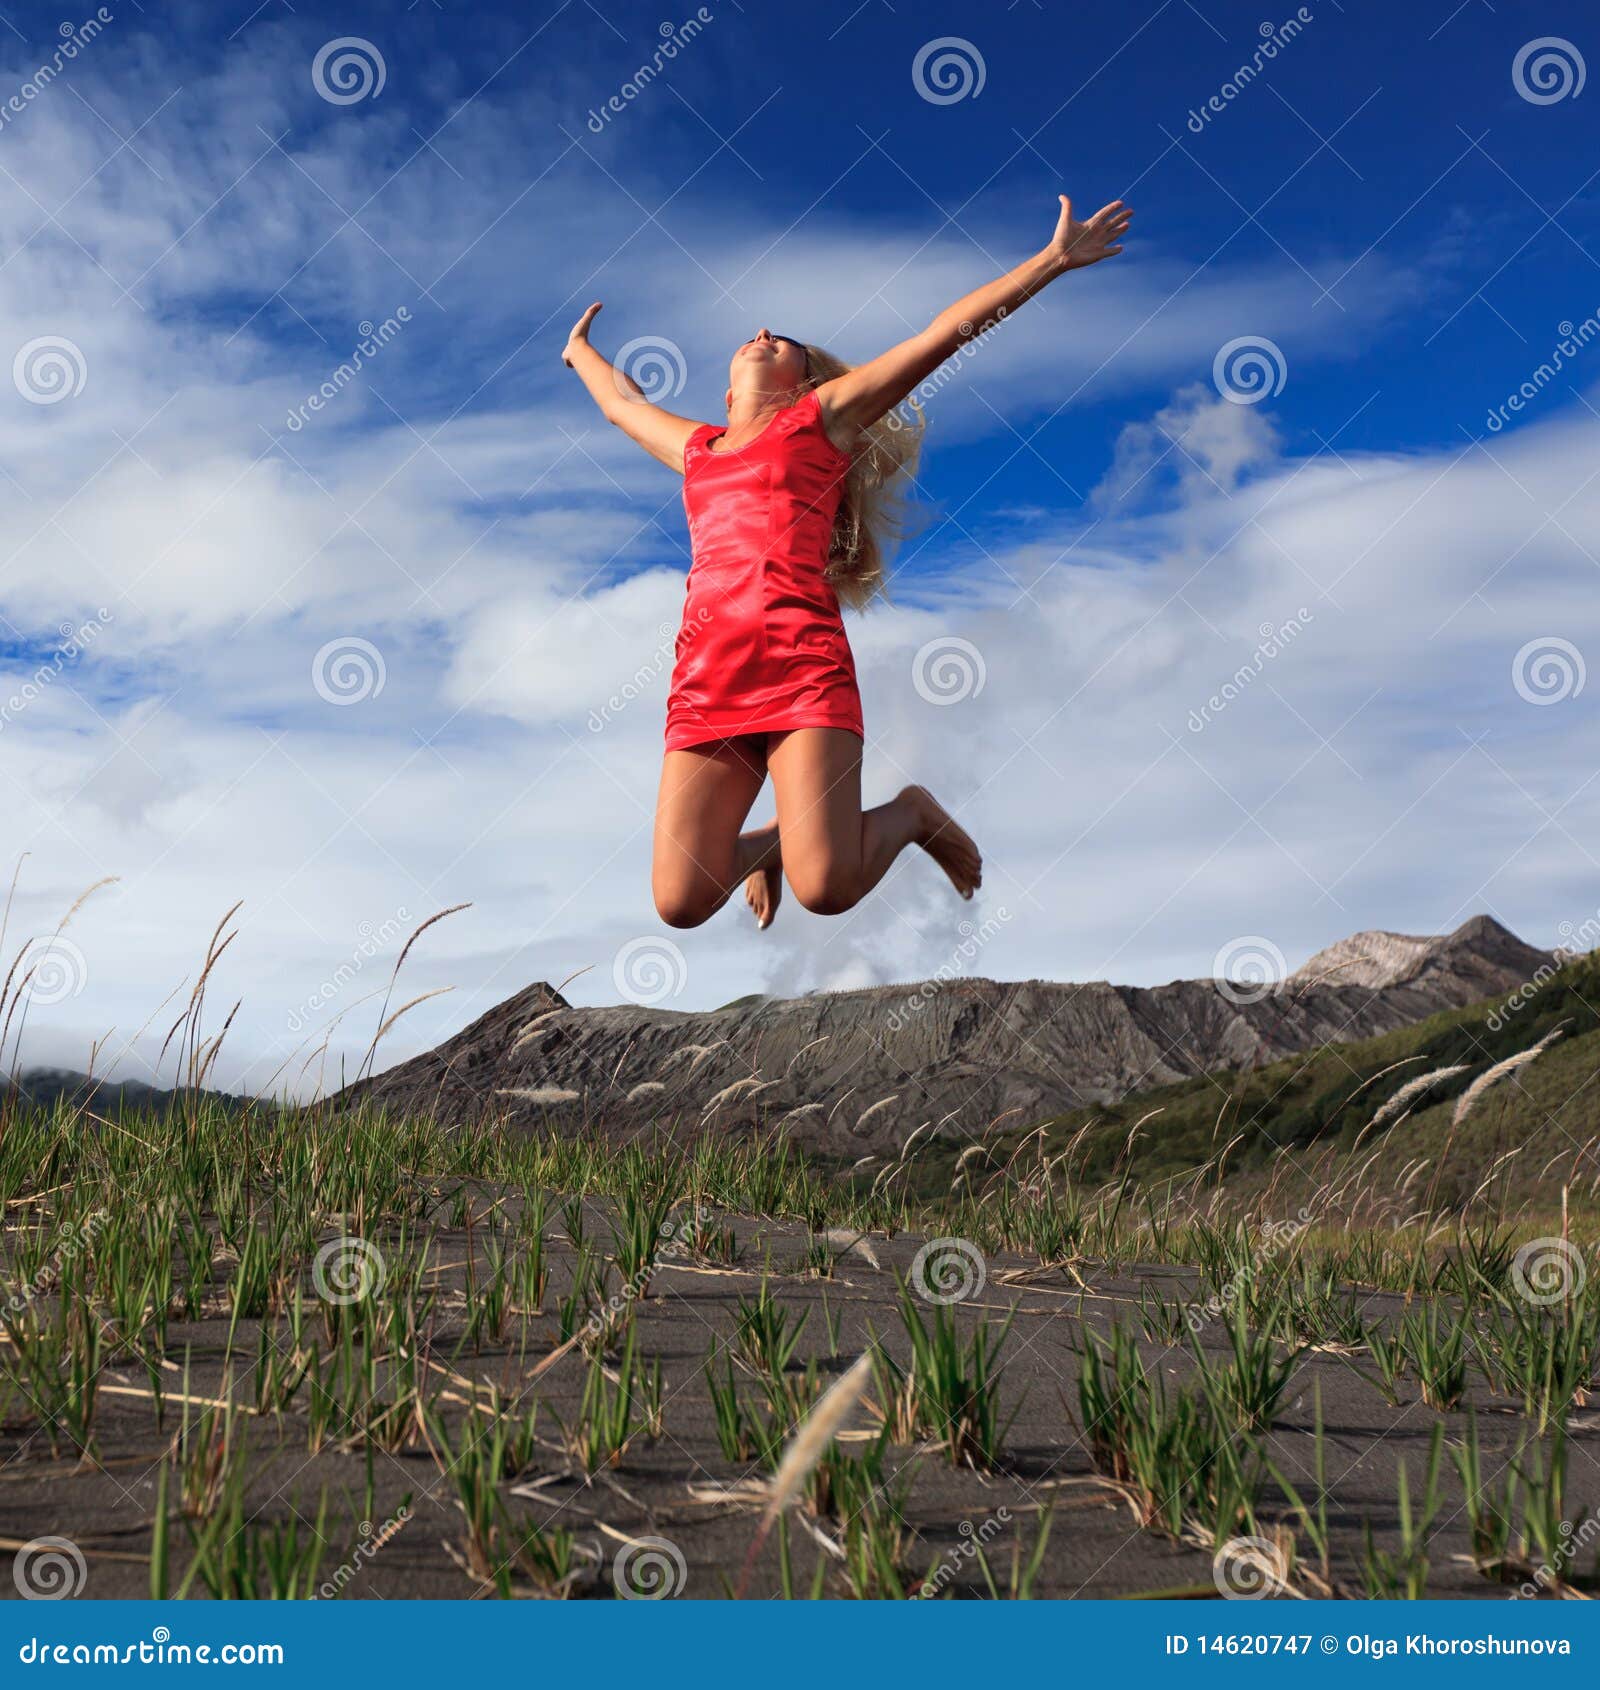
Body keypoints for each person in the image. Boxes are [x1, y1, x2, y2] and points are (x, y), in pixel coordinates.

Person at [562, 193, 1132, 931]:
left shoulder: (822, 418)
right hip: (706, 675)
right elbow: (619, 404)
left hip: (802, 664)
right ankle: (771, 846)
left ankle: (912, 814)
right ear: (727, 393)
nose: (763, 332)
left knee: (826, 888)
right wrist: (579, 352)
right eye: (753, 337)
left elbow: (942, 335)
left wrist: (1052, 261)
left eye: (783, 338)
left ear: (803, 380)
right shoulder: (697, 450)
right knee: (680, 901)